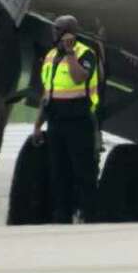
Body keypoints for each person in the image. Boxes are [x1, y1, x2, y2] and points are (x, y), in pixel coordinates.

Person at [33, 15, 99, 223]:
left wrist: (70, 53)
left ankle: (88, 213)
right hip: (56, 121)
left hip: (79, 121)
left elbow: (79, 77)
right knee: (59, 172)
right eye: (54, 29)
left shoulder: (85, 54)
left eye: (58, 29)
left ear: (69, 32)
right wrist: (37, 125)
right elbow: (47, 93)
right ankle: (62, 214)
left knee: (83, 171)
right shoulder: (51, 56)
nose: (54, 33)